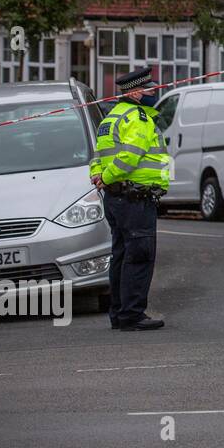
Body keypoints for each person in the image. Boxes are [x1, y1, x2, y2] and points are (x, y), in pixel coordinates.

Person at [90, 67, 170, 331]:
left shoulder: (111, 118)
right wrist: (109, 177)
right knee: (139, 256)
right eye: (150, 89)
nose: (154, 92)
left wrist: (100, 177)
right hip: (135, 197)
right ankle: (132, 314)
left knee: (122, 255)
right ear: (135, 93)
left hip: (116, 199)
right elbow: (130, 156)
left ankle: (118, 313)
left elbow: (96, 158)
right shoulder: (137, 118)